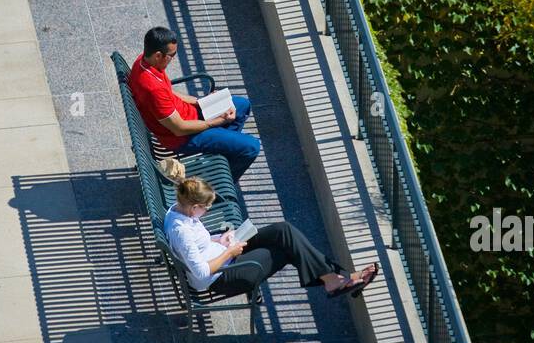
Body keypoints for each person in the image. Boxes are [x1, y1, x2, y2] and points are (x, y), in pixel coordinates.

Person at [164, 175, 379, 300]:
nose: (208, 211)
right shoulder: (180, 230)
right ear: (194, 207)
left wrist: (220, 239)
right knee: (285, 250)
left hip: (223, 254)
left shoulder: (179, 209)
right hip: (221, 277)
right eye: (206, 208)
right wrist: (230, 251)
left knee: (283, 230)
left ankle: (335, 278)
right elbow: (200, 272)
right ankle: (337, 278)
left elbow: (197, 244)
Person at [128, 26, 260, 183]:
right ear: (158, 55)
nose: (173, 58)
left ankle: (223, 151)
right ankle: (214, 187)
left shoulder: (144, 61)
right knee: (251, 147)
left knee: (242, 105)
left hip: (191, 115)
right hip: (185, 137)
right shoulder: (152, 89)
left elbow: (170, 91)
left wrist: (201, 102)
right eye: (172, 55)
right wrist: (218, 122)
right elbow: (179, 129)